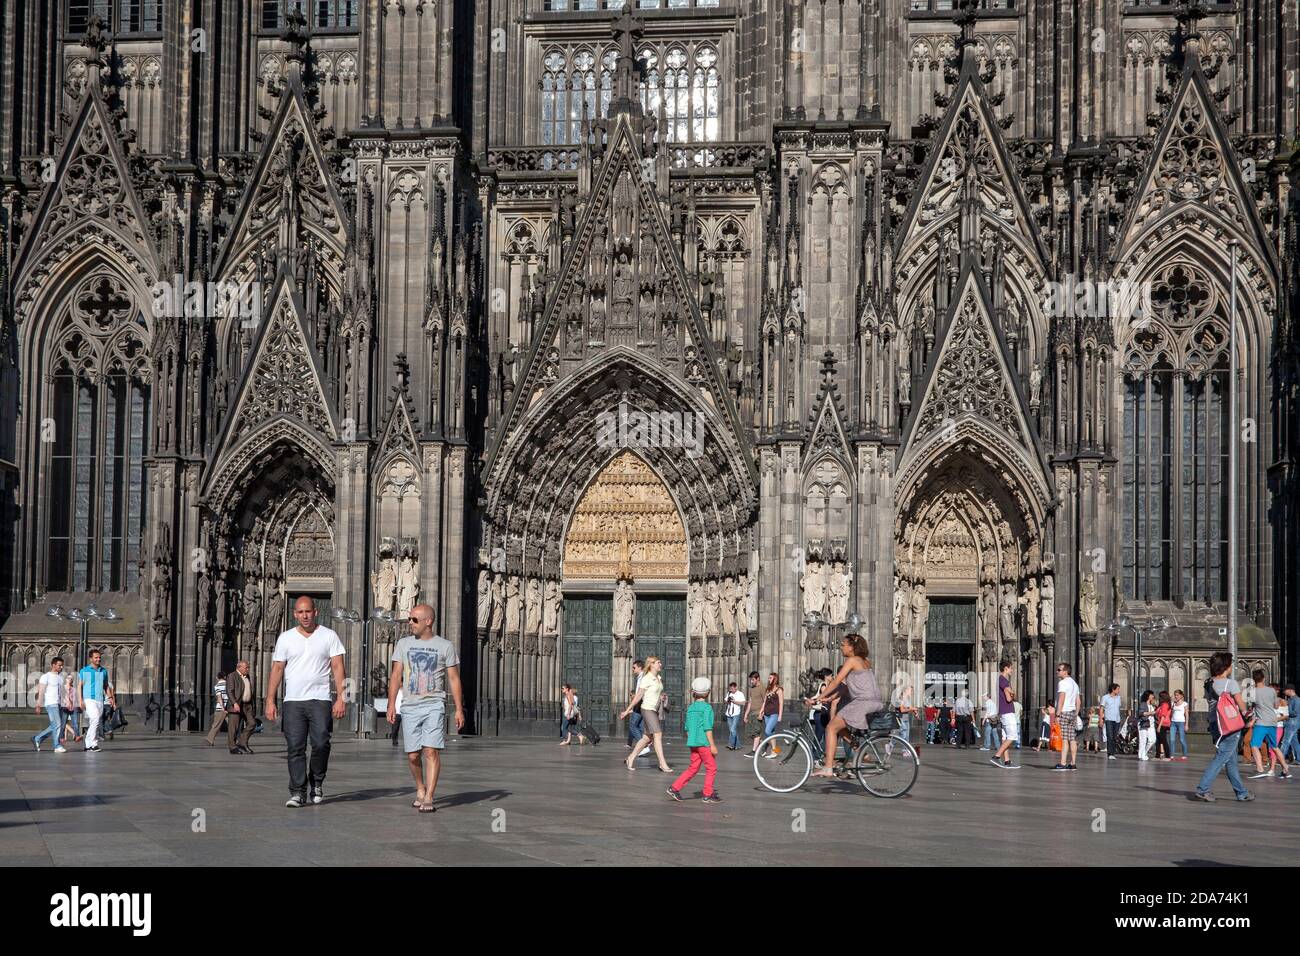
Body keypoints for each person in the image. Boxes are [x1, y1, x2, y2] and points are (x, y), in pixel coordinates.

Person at [265, 596, 347, 808]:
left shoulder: (329, 636)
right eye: (300, 612)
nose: (305, 616)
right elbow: (277, 668)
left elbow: (338, 667)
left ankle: (316, 781)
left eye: (308, 611)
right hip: (293, 701)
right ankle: (298, 792)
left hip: (320, 699)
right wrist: (270, 700)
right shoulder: (285, 638)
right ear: (295, 614)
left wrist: (341, 698)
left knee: (321, 743)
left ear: (315, 612)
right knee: (295, 747)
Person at [387, 603, 465, 812]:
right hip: (410, 705)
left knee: (430, 751)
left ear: (428, 621)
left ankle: (429, 796)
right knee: (413, 755)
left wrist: (459, 709)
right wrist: (391, 704)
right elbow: (395, 675)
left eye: (414, 619)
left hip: (434, 704)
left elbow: (454, 679)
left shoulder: (445, 646)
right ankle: (420, 787)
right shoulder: (403, 644)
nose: (410, 623)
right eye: (409, 619)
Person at [810, 634, 882, 778]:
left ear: (851, 647)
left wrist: (819, 697)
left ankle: (828, 768)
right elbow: (845, 687)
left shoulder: (852, 660)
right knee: (840, 727)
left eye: (843, 644)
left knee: (831, 727)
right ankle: (862, 752)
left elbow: (836, 682)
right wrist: (829, 698)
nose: (841, 647)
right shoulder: (865, 661)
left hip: (862, 702)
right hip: (875, 701)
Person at [1194, 651, 1254, 802]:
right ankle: (1203, 789)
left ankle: (1241, 792)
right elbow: (1240, 703)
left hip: (1215, 724)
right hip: (1230, 725)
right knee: (1221, 758)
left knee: (1231, 761)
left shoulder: (1208, 683)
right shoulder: (1230, 683)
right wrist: (1248, 715)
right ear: (1226, 667)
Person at [667, 677, 721, 803]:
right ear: (707, 693)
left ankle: (674, 788)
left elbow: (687, 728)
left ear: (694, 693)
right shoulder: (707, 708)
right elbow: (707, 728)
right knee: (711, 768)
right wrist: (712, 745)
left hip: (693, 743)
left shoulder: (690, 708)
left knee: (693, 768)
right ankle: (708, 794)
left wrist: (693, 739)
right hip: (704, 743)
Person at [622, 655, 672, 772]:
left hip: (654, 709)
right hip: (647, 709)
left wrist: (661, 697)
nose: (660, 664)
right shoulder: (646, 678)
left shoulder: (658, 677)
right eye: (658, 662)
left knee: (646, 738)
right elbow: (638, 696)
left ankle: (631, 758)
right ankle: (662, 763)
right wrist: (627, 710)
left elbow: (655, 692)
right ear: (651, 664)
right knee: (658, 734)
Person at [1246, 670, 1290, 779]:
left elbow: (1253, 707)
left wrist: (1253, 719)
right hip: (1273, 722)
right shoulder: (1271, 690)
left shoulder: (1252, 692)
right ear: (1264, 678)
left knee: (1254, 745)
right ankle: (1285, 768)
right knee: (1274, 746)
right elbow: (1276, 706)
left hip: (1261, 722)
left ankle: (1260, 769)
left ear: (1254, 680)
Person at [76, 649, 114, 753]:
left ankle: (88, 744)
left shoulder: (103, 671)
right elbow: (79, 686)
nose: (98, 659)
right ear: (91, 658)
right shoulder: (85, 670)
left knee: (94, 722)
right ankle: (94, 744)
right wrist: (80, 700)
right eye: (96, 657)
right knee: (95, 719)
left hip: (100, 699)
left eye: (99, 657)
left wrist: (110, 698)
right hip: (89, 699)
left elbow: (106, 686)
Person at [32, 657, 68, 753]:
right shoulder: (46, 677)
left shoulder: (60, 678)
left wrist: (66, 702)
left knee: (54, 726)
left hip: (59, 704)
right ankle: (57, 745)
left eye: (62, 665)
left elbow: (62, 692)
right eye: (59, 665)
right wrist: (38, 705)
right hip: (51, 704)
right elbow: (41, 691)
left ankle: (37, 738)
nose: (61, 667)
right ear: (53, 665)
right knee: (58, 724)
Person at [991, 660, 1019, 769]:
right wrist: (1013, 694)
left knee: (1006, 736)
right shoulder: (1004, 680)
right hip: (1008, 712)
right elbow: (1009, 698)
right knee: (1012, 736)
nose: (1012, 670)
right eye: (1011, 668)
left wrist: (1011, 693)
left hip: (1002, 712)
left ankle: (1007, 761)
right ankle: (997, 756)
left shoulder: (999, 680)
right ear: (1005, 668)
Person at [224, 660, 257, 754]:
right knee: (233, 727)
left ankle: (242, 742)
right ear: (239, 667)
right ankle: (232, 747)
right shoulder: (232, 676)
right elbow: (229, 691)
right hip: (237, 704)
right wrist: (234, 703)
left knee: (252, 723)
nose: (248, 669)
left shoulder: (247, 676)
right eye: (246, 667)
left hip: (247, 705)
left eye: (248, 667)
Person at [1053, 663, 1080, 771]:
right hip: (1072, 713)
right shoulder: (1074, 684)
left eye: (1059, 670)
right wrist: (1076, 714)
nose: (1057, 671)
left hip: (1064, 712)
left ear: (1065, 671)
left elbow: (1061, 699)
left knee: (1064, 739)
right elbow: (1078, 701)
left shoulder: (1063, 683)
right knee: (1072, 738)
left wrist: (1057, 714)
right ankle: (1073, 763)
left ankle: (1063, 763)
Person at [741, 671, 764, 756]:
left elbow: (765, 701)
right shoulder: (752, 689)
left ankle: (754, 751)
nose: (751, 681)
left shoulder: (762, 688)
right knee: (749, 733)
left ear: (758, 679)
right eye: (751, 680)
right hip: (752, 713)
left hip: (758, 713)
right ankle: (764, 744)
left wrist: (761, 713)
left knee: (756, 732)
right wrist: (746, 714)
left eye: (753, 679)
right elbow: (750, 702)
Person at [204, 671, 230, 746]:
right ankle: (235, 740)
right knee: (232, 726)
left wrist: (222, 708)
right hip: (229, 708)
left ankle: (209, 740)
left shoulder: (217, 686)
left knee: (216, 725)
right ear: (225, 677)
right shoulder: (229, 685)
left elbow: (219, 698)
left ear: (217, 678)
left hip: (221, 709)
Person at [59, 670, 82, 747]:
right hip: (65, 707)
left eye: (71, 679)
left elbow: (76, 698)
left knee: (75, 723)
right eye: (69, 678)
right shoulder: (63, 688)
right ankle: (61, 737)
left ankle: (77, 736)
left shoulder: (74, 689)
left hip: (73, 707)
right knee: (63, 723)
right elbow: (63, 697)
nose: (70, 680)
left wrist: (79, 706)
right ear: (66, 679)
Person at [626, 659, 645, 750]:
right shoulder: (640, 677)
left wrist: (629, 709)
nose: (633, 669)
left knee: (633, 726)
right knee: (640, 727)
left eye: (634, 667)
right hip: (641, 704)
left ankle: (643, 746)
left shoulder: (643, 678)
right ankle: (643, 747)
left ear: (640, 667)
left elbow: (640, 694)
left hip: (639, 704)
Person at [760, 672, 784, 744]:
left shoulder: (779, 690)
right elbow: (765, 702)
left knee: (767, 731)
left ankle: (769, 743)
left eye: (770, 678)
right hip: (766, 713)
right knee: (771, 731)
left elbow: (781, 703)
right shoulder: (768, 689)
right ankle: (774, 749)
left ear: (775, 679)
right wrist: (761, 711)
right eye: (769, 678)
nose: (768, 679)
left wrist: (780, 716)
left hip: (774, 713)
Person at [1100, 683, 1122, 760]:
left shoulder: (1119, 698)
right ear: (1113, 689)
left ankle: (1113, 752)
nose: (1119, 691)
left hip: (1117, 720)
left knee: (1115, 736)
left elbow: (1118, 708)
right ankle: (1110, 753)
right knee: (1110, 736)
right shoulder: (1105, 697)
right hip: (1109, 719)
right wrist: (1101, 720)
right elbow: (1101, 709)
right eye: (1118, 689)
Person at [723, 681, 745, 750]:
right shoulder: (729, 693)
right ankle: (738, 745)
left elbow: (743, 703)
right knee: (732, 730)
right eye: (730, 689)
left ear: (736, 687)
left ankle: (731, 745)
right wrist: (728, 700)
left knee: (732, 730)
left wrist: (734, 701)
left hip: (736, 714)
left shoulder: (740, 694)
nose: (731, 690)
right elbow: (725, 701)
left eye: (732, 689)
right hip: (728, 713)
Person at [1136, 690, 1157, 761]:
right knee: (1143, 740)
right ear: (1148, 696)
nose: (1153, 696)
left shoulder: (1152, 704)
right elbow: (1141, 713)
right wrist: (1151, 713)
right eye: (1151, 695)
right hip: (1143, 723)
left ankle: (1143, 753)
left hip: (1151, 724)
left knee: (1152, 740)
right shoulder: (1143, 704)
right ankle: (1141, 755)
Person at [1170, 689, 1190, 760]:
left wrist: (1186, 725)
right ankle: (1171, 754)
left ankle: (1184, 754)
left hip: (1181, 722)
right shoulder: (1173, 703)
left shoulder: (1185, 704)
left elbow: (1186, 714)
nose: (1176, 696)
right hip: (1173, 722)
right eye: (1175, 695)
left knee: (1182, 739)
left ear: (1181, 695)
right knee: (1172, 739)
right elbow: (1171, 712)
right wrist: (1172, 700)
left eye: (1177, 695)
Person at [1281, 686, 1299, 762]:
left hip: (1292, 723)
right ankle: (1299, 759)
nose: (1284, 692)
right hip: (1291, 722)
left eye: (1285, 690)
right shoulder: (1290, 699)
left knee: (1286, 741)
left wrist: (1286, 712)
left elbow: (1295, 713)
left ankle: (1280, 757)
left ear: (1291, 690)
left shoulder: (1296, 700)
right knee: (1294, 742)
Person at [1154, 691, 1173, 760]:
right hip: (1161, 723)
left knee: (1163, 740)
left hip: (1163, 724)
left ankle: (1167, 756)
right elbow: (1156, 712)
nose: (1159, 698)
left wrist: (1159, 726)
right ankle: (1157, 756)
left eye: (1160, 697)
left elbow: (1163, 716)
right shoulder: (1163, 705)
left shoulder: (1165, 705)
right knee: (1158, 740)